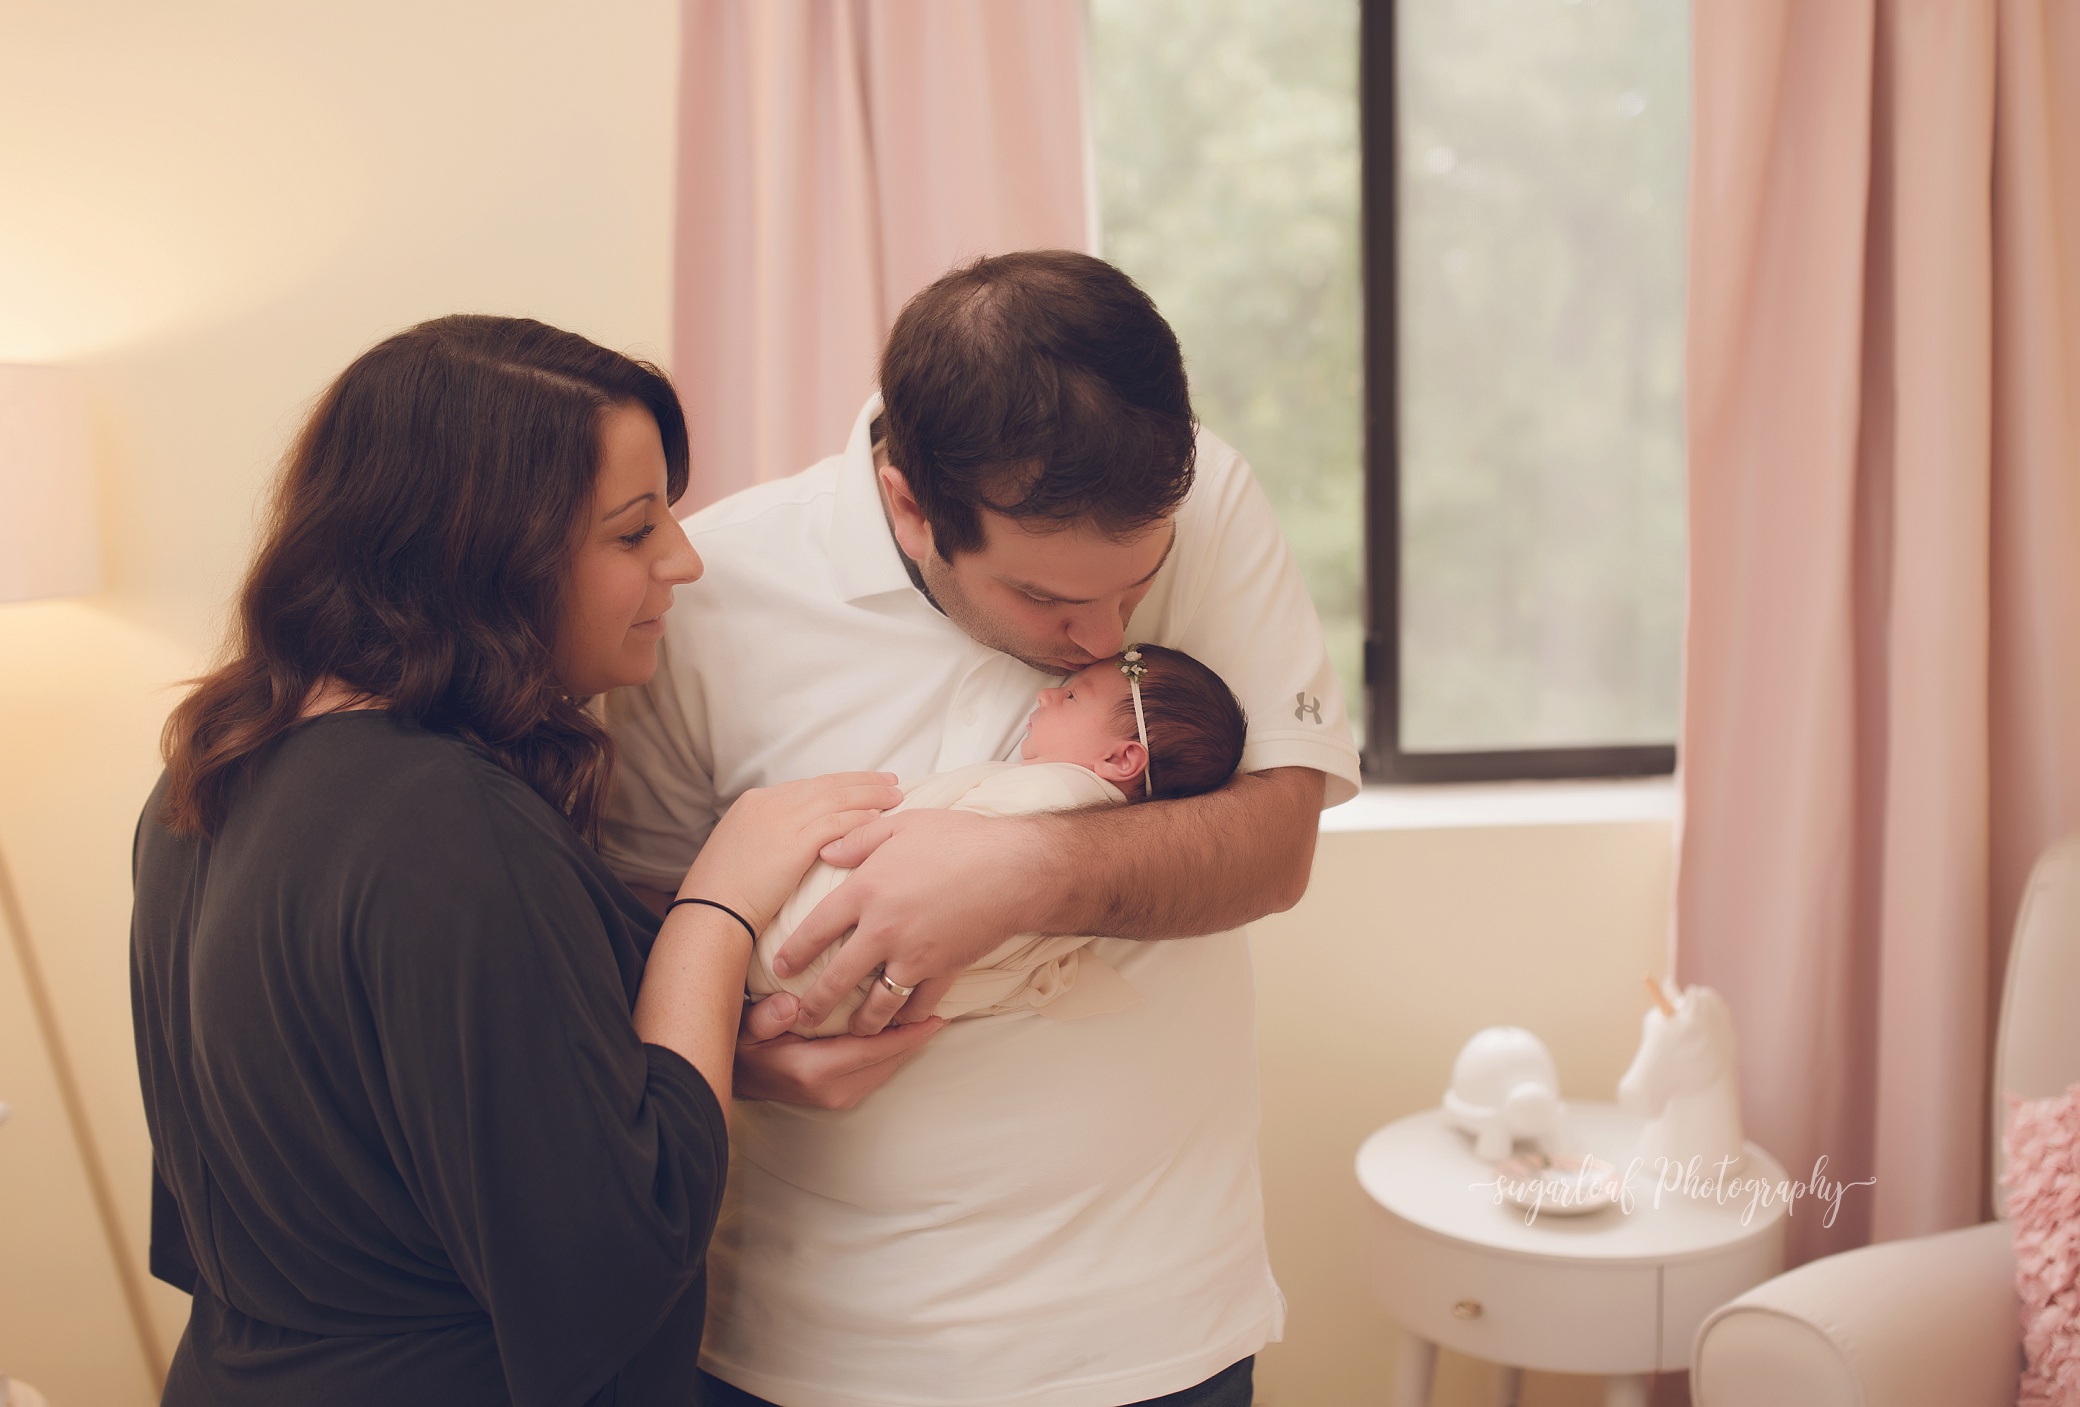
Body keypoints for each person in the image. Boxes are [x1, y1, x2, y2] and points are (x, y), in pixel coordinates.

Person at [602, 250, 1362, 1407]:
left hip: (1157, 1330)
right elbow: (640, 925)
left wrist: (1024, 868)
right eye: (1047, 601)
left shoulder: (1205, 500)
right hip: (809, 1348)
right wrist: (742, 1051)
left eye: (1134, 586)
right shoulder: (719, 591)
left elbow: (1274, 847)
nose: (1103, 636)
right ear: (910, 506)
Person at [130, 315, 902, 1407]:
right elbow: (620, 1248)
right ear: (477, 556)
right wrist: (718, 905)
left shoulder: (199, 781)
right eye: (634, 533)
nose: (684, 558)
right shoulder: (442, 817)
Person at [750, 643, 1249, 1036]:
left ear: (1122, 760)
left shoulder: (1061, 794)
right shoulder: (1099, 874)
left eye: (1073, 696)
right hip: (834, 1012)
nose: (1047, 695)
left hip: (806, 952)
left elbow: (938, 869)